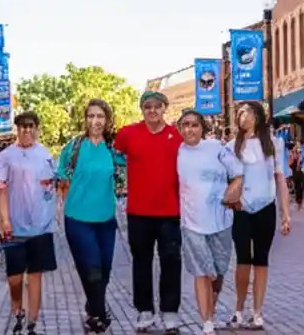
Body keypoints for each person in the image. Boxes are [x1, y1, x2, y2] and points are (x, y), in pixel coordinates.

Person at [113, 90, 182, 334]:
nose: (152, 111)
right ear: (142, 109)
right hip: (139, 212)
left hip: (170, 212)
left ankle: (170, 312)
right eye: (147, 107)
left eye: (157, 106)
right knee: (141, 262)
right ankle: (145, 310)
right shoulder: (128, 134)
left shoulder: (177, 136)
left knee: (171, 262)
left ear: (165, 108)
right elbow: (113, 153)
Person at [57, 99, 127, 333]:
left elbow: (127, 174)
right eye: (91, 116)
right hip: (77, 219)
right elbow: (61, 178)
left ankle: (92, 305)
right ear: (85, 119)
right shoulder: (74, 147)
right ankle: (98, 315)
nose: (95, 121)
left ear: (107, 120)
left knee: (104, 270)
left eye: (100, 117)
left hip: (106, 219)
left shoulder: (113, 150)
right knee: (92, 268)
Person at [225, 100, 292, 330]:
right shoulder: (232, 146)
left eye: (249, 112)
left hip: (265, 206)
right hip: (242, 209)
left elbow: (280, 178)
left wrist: (285, 213)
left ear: (259, 116)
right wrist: (232, 203)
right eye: (241, 113)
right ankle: (238, 309)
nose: (245, 116)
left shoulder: (274, 144)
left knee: (261, 260)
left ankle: (257, 311)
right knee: (243, 259)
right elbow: (227, 180)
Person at [176, 109, 243, 335]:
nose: (189, 129)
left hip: (221, 221)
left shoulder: (216, 148)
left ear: (202, 127)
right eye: (185, 125)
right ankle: (206, 321)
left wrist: (231, 194)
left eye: (194, 124)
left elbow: (238, 173)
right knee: (201, 272)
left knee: (218, 272)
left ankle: (210, 312)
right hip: (191, 222)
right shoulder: (176, 152)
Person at [0, 111, 58, 334]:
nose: (27, 130)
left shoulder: (46, 155)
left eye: (31, 126)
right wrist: (4, 220)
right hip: (14, 226)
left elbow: (52, 186)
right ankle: (16, 308)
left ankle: (31, 322)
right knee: (14, 278)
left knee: (35, 275)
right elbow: (1, 190)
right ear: (17, 129)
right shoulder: (5, 157)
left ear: (37, 128)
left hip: (40, 226)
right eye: (22, 126)